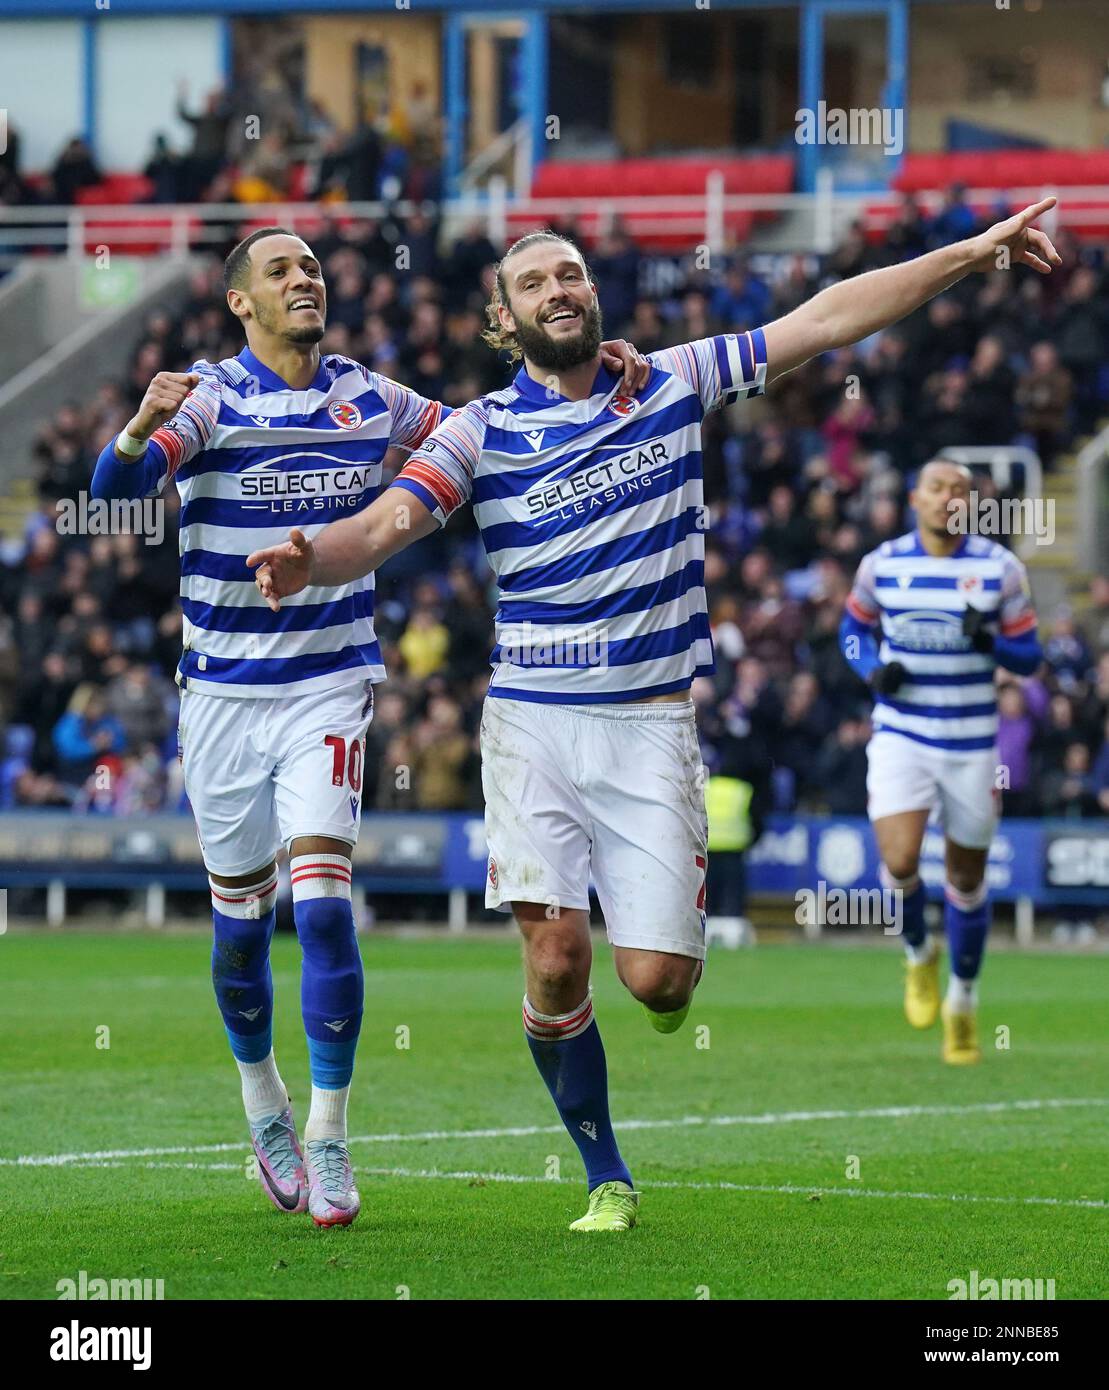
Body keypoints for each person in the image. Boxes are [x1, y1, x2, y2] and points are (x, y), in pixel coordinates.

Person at [248, 200, 1060, 1228]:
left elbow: (825, 319)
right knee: (554, 957)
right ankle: (604, 1175)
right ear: (503, 322)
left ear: (595, 294)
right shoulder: (479, 431)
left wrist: (970, 250)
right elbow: (381, 527)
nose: (558, 291)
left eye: (570, 275)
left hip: (649, 723)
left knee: (660, 982)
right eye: (534, 283)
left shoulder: (670, 381)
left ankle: (649, 996)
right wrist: (311, 556)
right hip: (530, 722)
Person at [87, 224, 643, 1229]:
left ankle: (334, 1132)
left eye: (310, 265)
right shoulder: (210, 396)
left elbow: (494, 430)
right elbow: (114, 501)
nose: (305, 278)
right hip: (219, 695)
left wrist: (599, 370)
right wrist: (134, 433)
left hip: (329, 685)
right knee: (238, 931)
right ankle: (265, 1105)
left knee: (327, 905)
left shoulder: (371, 398)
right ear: (240, 304)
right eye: (279, 270)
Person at [839, 460, 1043, 1065]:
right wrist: (872, 671)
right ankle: (918, 953)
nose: (948, 497)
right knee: (899, 861)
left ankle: (964, 1000)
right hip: (903, 734)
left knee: (966, 879)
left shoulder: (999, 568)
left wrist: (993, 644)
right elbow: (852, 632)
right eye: (937, 487)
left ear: (970, 502)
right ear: (915, 498)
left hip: (972, 744)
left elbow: (1030, 656)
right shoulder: (882, 564)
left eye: (960, 489)